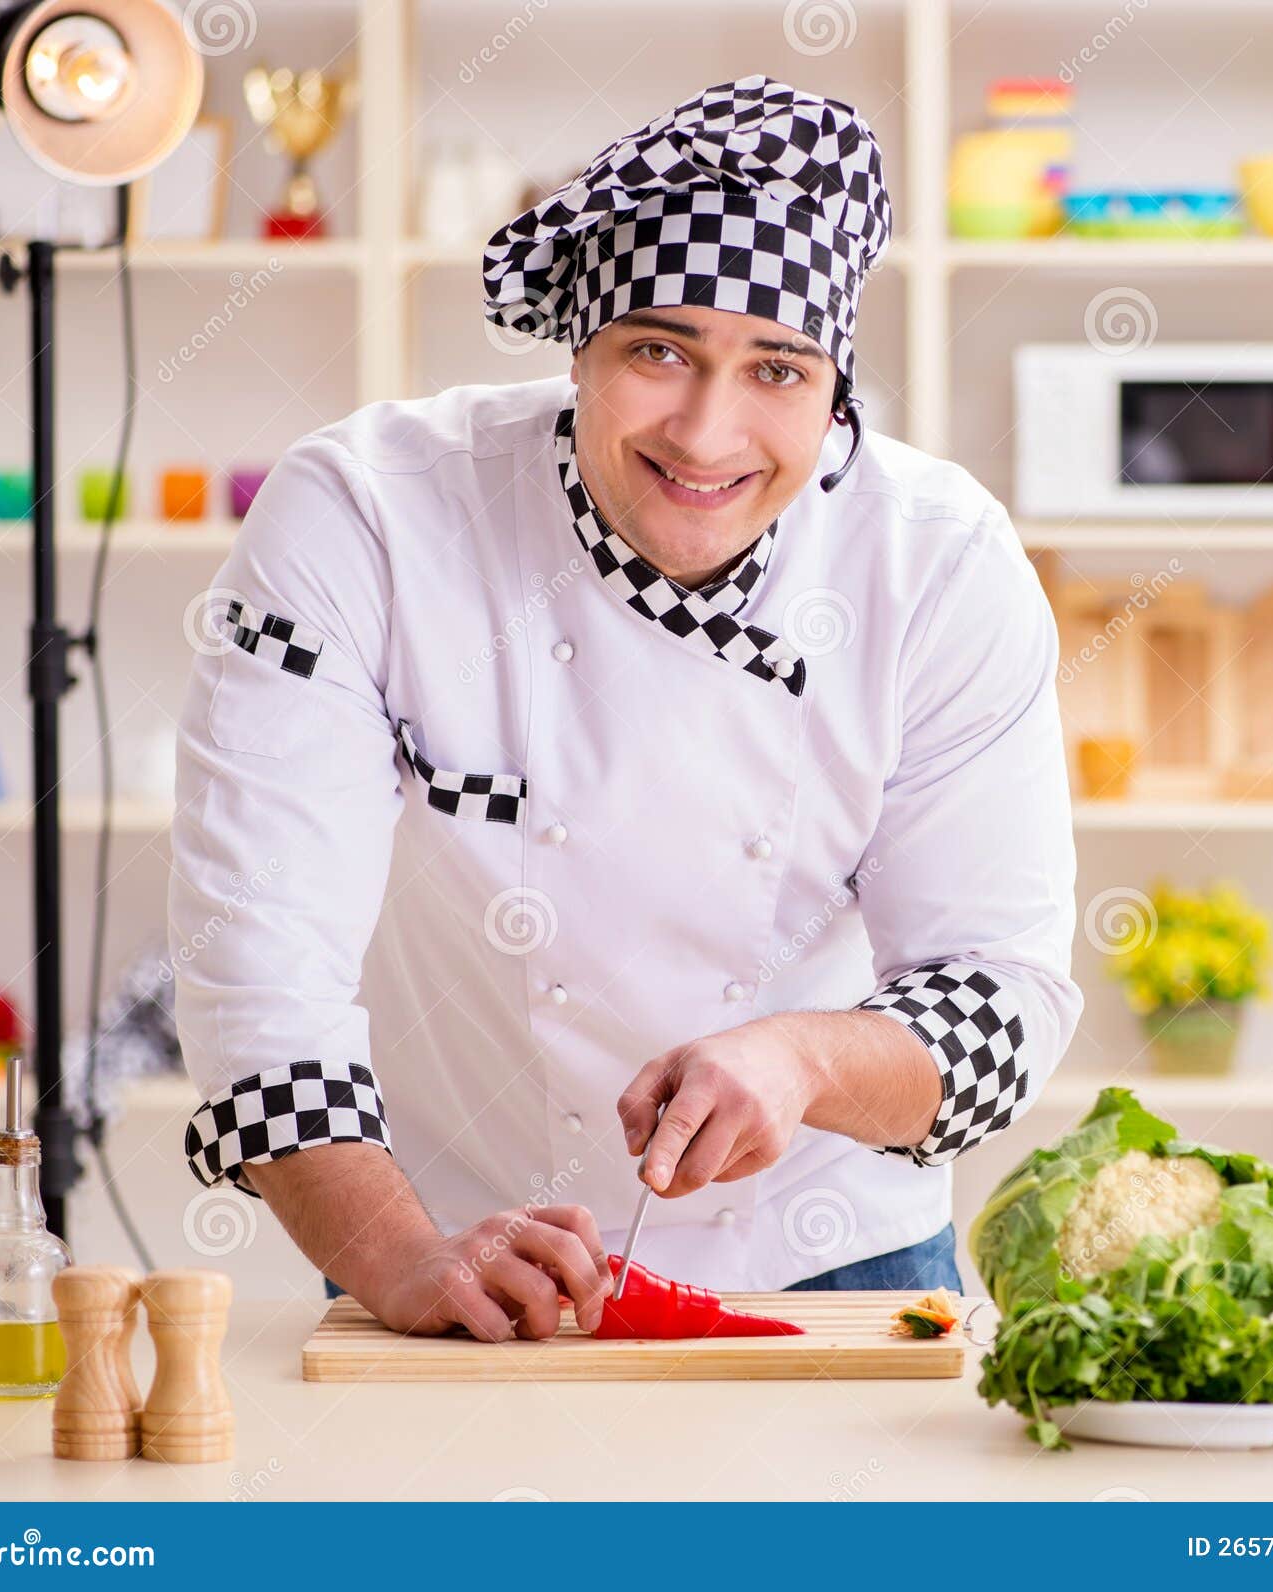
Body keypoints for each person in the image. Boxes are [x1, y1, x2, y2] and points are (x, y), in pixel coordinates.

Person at [168, 74, 1082, 1342]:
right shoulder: (371, 516)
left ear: (835, 394)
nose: (709, 432)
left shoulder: (935, 561)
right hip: (448, 1255)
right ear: (579, 349)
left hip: (838, 1258)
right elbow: (257, 971)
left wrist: (801, 1059)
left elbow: (1002, 990)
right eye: (659, 349)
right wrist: (396, 1255)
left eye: (777, 367)